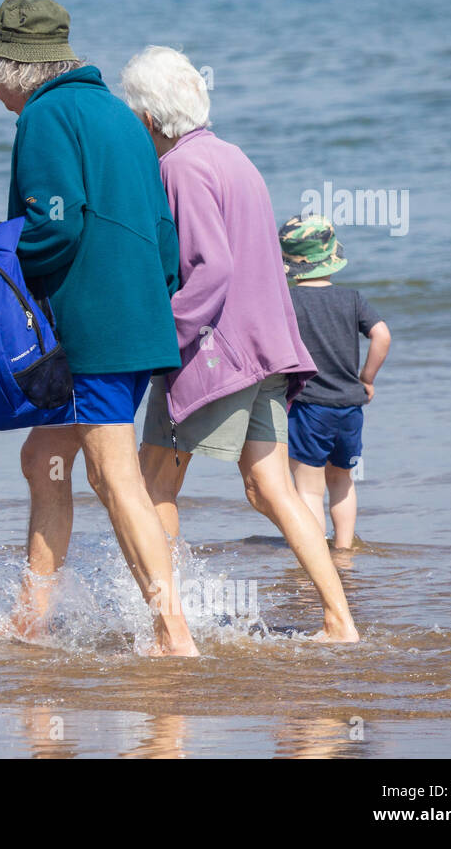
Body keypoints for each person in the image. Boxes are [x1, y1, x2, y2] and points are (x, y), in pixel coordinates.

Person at [0, 0, 198, 656]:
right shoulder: (122, 117)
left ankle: (172, 632)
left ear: (15, 68)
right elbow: (162, 234)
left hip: (94, 329)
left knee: (112, 475)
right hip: (136, 319)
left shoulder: (43, 116)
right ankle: (31, 622)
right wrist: (146, 301)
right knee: (45, 459)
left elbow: (55, 225)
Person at [120, 45, 359, 642]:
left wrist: (161, 341)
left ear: (147, 119)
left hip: (215, 354)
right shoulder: (236, 157)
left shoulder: (178, 167)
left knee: (153, 488)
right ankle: (340, 620)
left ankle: (165, 630)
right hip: (269, 350)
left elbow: (212, 268)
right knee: (270, 489)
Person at [278, 215, 392, 549]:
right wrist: (366, 379)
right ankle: (344, 550)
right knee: (342, 481)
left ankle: (316, 554)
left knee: (309, 488)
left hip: (309, 408)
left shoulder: (288, 303)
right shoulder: (351, 298)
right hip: (350, 407)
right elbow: (382, 335)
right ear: (331, 256)